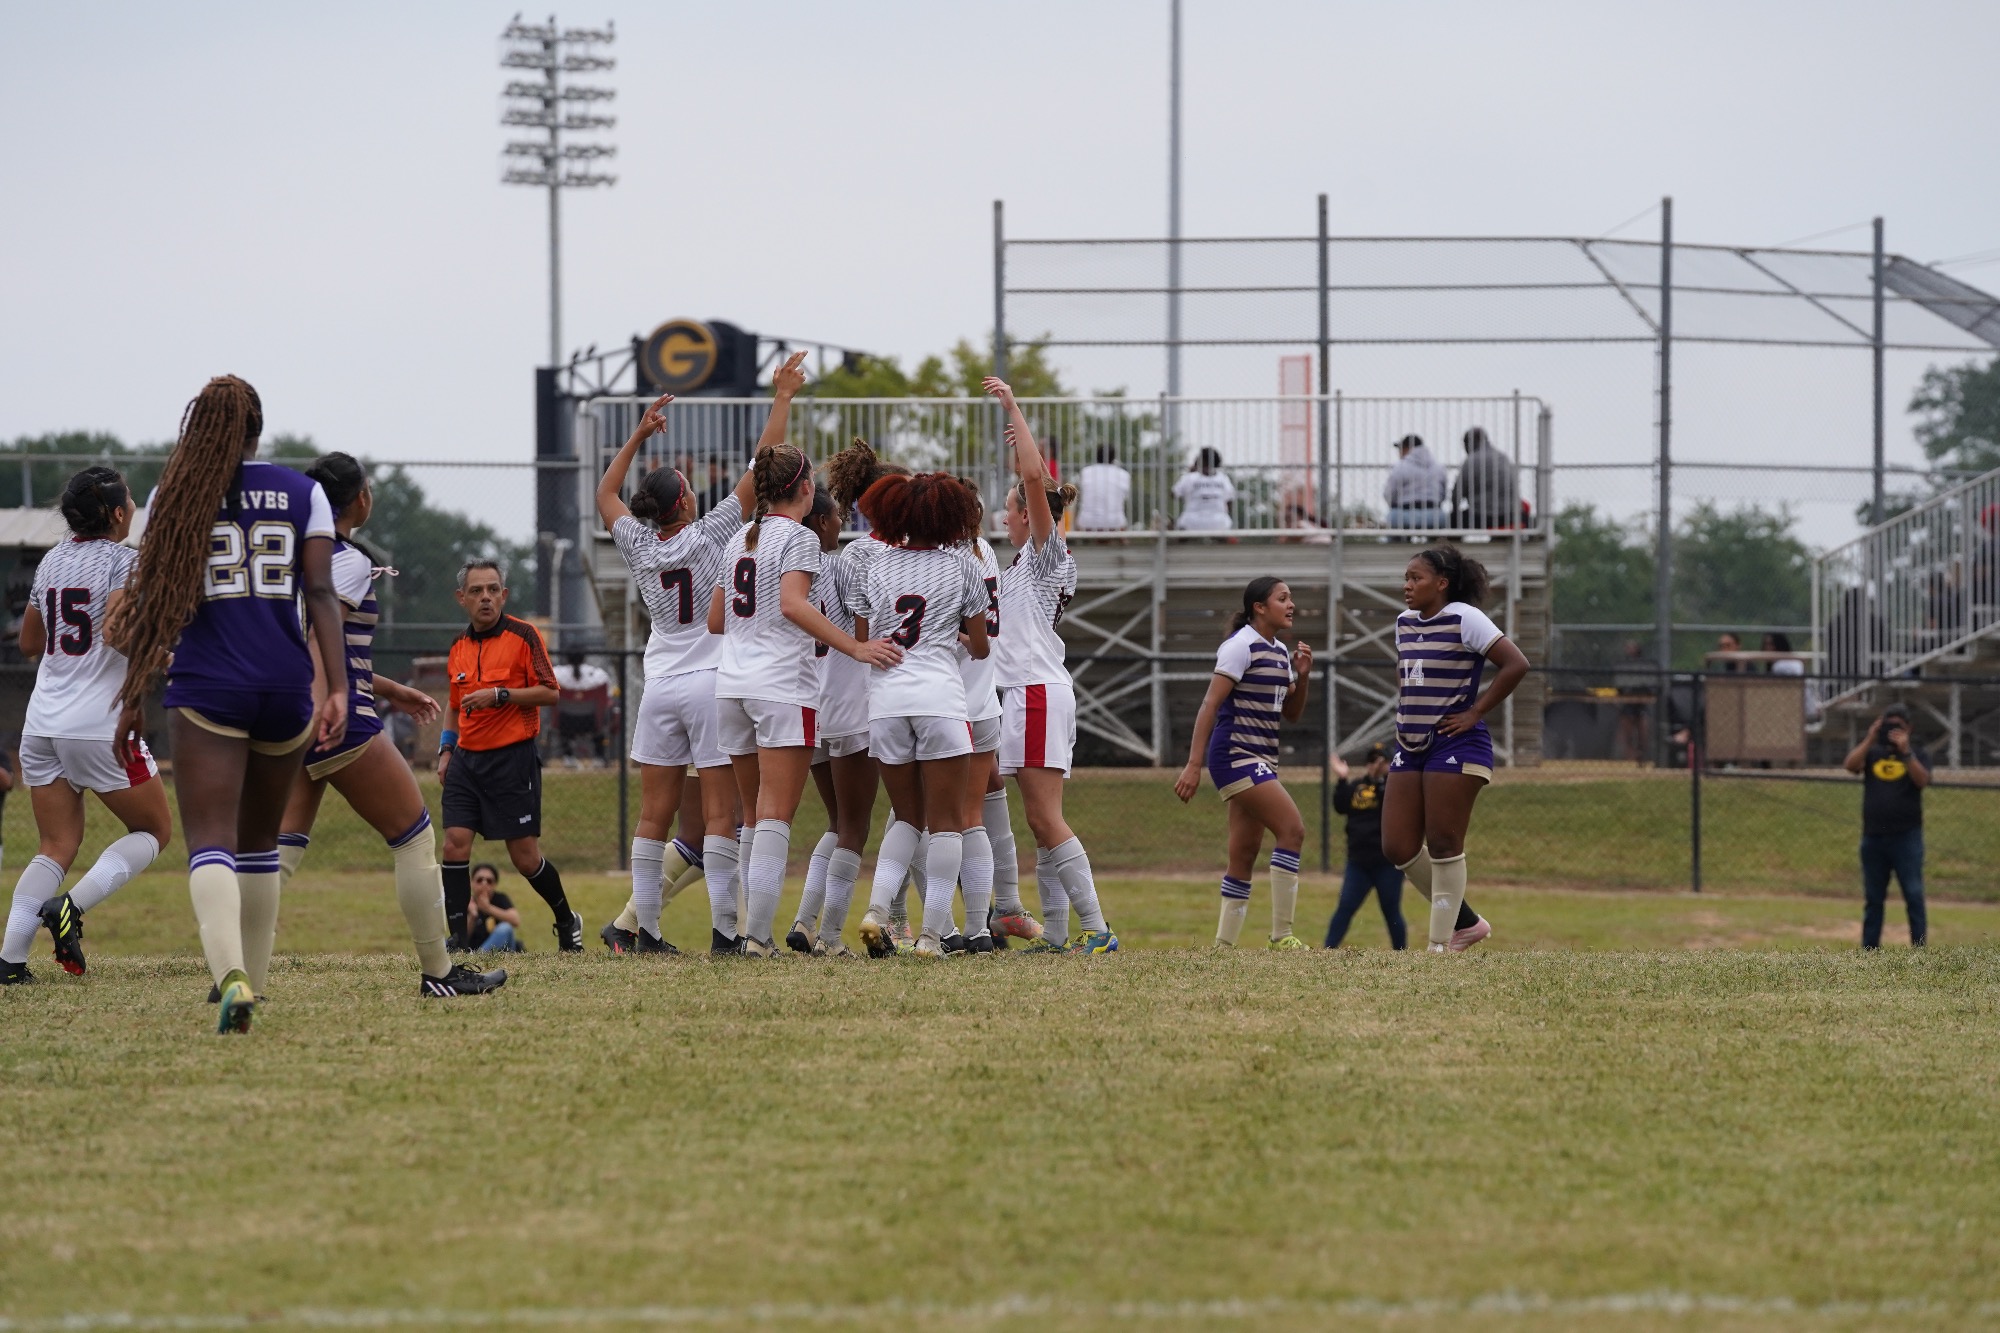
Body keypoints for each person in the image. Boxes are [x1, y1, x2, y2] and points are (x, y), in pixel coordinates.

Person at [106, 375, 348, 1034]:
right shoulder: (308, 493)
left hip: (209, 683)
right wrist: (340, 687)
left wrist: (134, 696)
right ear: (259, 429)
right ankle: (256, 985)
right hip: (285, 681)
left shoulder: (175, 494)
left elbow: (150, 602)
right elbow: (322, 593)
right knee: (260, 843)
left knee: (209, 840)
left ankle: (230, 978)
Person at [275, 454, 503, 997]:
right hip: (336, 715)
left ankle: (235, 969)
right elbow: (315, 645)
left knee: (279, 850)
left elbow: (321, 646)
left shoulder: (290, 559)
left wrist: (390, 688)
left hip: (294, 712)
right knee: (414, 836)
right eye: (368, 488)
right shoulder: (345, 558)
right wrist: (326, 707)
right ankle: (440, 974)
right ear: (360, 500)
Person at [594, 359, 796, 956]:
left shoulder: (635, 541)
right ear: (683, 499)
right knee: (719, 817)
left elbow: (605, 492)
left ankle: (647, 933)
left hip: (658, 681)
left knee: (652, 817)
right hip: (709, 678)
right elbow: (763, 469)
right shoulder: (709, 534)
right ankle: (724, 933)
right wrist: (781, 395)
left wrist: (636, 433)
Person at [707, 441, 902, 957]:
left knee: (753, 814)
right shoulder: (799, 538)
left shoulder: (739, 539)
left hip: (732, 684)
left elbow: (716, 620)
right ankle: (757, 938)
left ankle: (751, 932)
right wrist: (856, 647)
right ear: (805, 489)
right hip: (779, 687)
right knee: (774, 815)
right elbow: (793, 604)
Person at [0, 468, 172, 986]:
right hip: (99, 724)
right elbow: (120, 633)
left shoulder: (51, 561)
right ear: (118, 513)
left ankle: (9, 962)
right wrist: (164, 656)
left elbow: (30, 644)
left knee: (54, 846)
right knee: (154, 830)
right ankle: (69, 907)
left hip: (42, 724)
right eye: (131, 500)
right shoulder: (127, 561)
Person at [984, 376, 1116, 953]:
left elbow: (1036, 482)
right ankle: (1058, 936)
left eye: (1011, 509)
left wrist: (1015, 408)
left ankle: (1099, 930)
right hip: (1029, 693)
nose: (1006, 514)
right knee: (1042, 824)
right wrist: (1020, 447)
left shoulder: (1045, 557)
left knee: (1044, 820)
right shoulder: (1021, 567)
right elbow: (1032, 478)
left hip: (1035, 691)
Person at [847, 474, 991, 958]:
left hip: (886, 703)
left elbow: (867, 638)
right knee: (946, 822)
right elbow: (982, 644)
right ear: (950, 517)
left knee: (906, 817)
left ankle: (876, 909)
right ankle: (931, 935)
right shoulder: (963, 568)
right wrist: (954, 635)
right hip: (940, 700)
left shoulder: (876, 564)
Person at [1378, 545, 1530, 953]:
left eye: (1416, 578)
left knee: (1444, 843)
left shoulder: (1466, 617)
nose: (1407, 585)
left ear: (1442, 584)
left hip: (1457, 742)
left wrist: (1474, 711)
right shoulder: (1403, 622)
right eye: (1406, 577)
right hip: (1410, 745)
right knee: (1396, 845)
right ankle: (1467, 923)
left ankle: (1439, 945)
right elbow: (1408, 673)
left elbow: (1516, 664)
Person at [1172, 576, 1314, 950]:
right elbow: (1210, 706)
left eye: (1291, 597)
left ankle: (1223, 949)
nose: (1291, 604)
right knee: (1293, 830)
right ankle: (1282, 937)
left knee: (1244, 854)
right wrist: (1193, 764)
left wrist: (1303, 675)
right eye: (1283, 598)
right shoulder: (1240, 647)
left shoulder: (1281, 653)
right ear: (1260, 607)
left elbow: (1292, 714)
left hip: (1262, 758)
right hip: (1235, 756)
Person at [438, 561, 572, 952]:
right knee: (453, 844)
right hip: (466, 760)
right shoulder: (458, 647)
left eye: (493, 590)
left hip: (512, 759)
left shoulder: (524, 635)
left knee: (525, 859)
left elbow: (551, 692)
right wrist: (446, 749)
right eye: (477, 591)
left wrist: (502, 694)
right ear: (461, 598)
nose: (486, 597)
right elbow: (453, 705)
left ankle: (566, 919)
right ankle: (459, 942)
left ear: (504, 595)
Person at [784, 484, 874, 957]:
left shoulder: (788, 570)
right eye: (837, 515)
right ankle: (833, 937)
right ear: (819, 522)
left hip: (807, 703)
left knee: (837, 822)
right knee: (854, 826)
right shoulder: (840, 565)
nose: (843, 522)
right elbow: (863, 629)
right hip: (848, 705)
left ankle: (803, 921)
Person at [1843, 705, 1928, 949]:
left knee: (1913, 895)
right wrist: (1870, 738)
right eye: (1888, 726)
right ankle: (1870, 951)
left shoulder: (1918, 753)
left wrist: (1906, 752)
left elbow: (1922, 780)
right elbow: (1850, 765)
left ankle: (1919, 950)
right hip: (1873, 838)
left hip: (1907, 837)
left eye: (1898, 727)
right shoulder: (1873, 753)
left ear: (1909, 728)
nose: (1893, 732)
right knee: (1873, 898)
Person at [1325, 742, 1405, 950]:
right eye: (1372, 761)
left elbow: (1388, 799)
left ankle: (1402, 954)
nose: (1375, 765)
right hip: (1358, 863)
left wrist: (1382, 778)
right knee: (1345, 907)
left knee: (1391, 911)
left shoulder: (1395, 787)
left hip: (1387, 864)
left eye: (1382, 761)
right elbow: (1340, 806)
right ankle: (1327, 951)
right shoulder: (1357, 786)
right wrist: (1342, 779)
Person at [552, 650, 615, 762]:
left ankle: (568, 757)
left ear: (567, 659)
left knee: (562, 718)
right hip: (592, 721)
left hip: (565, 722)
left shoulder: (556, 674)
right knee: (605, 717)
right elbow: (607, 697)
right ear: (584, 658)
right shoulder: (598, 675)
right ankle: (598, 758)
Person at [1449, 426, 1518, 529]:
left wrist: (1455, 510)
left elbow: (1457, 495)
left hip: (1482, 516)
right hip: (1510, 515)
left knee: (1452, 520)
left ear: (1469, 443)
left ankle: (1455, 545)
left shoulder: (1471, 460)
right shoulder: (1504, 458)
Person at [1384, 434, 1447, 529]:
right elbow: (1443, 494)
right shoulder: (1438, 467)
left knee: (1393, 519)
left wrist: (1393, 505)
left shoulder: (1400, 466)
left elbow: (1390, 493)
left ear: (1406, 449)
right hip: (1434, 516)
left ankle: (1395, 544)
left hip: (1403, 515)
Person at [1173, 447, 1235, 532]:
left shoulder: (1190, 477)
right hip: (1219, 523)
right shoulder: (1223, 479)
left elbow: (1174, 494)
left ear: (1202, 460)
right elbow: (1229, 501)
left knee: (1177, 529)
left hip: (1191, 522)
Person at [466, 863, 524, 952]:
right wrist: (473, 915)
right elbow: (462, 938)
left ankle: (479, 957)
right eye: (479, 880)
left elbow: (515, 920)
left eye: (489, 881)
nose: (484, 883)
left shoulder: (500, 898)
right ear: (472, 882)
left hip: (502, 952)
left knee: (505, 928)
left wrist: (488, 908)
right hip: (472, 949)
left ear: (494, 885)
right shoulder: (468, 903)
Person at [1075, 443, 1132, 532]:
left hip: (1087, 523)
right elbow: (1125, 498)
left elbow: (1079, 496)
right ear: (1114, 458)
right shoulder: (1124, 475)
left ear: (1097, 456)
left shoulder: (1085, 472)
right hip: (1115, 523)